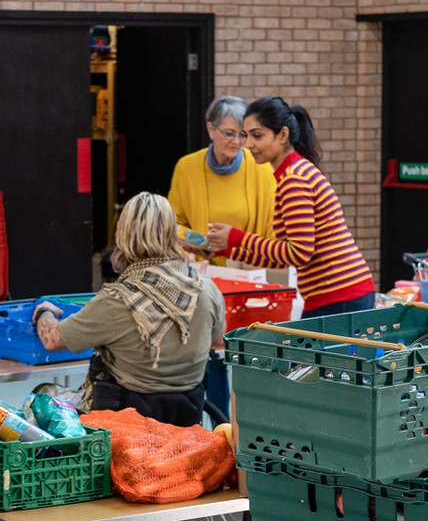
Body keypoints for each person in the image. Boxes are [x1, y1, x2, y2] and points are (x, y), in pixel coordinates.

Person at [33, 193, 224, 427]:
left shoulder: (116, 301)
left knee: (42, 395)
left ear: (123, 235)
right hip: (187, 423)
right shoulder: (206, 290)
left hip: (125, 430)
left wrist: (44, 312)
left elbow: (53, 340)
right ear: (172, 234)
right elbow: (218, 341)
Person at [204, 97, 376, 317]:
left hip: (338, 296)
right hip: (340, 294)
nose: (248, 145)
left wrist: (237, 238)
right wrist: (228, 249)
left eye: (257, 136)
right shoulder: (294, 173)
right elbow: (284, 254)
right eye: (247, 136)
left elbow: (298, 252)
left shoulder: (294, 180)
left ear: (282, 135)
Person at [167, 95, 277, 247]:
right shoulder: (186, 168)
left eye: (243, 134)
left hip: (247, 266)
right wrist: (198, 246)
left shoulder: (262, 169)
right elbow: (173, 224)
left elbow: (274, 225)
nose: (237, 141)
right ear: (211, 129)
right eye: (229, 133)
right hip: (201, 266)